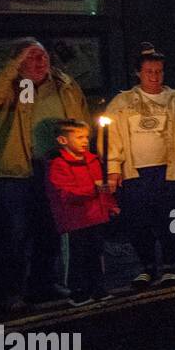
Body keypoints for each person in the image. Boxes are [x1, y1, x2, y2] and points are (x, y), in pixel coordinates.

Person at [0, 37, 90, 311]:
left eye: (43, 56)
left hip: (53, 167)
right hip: (15, 170)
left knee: (50, 229)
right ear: (17, 59)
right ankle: (10, 291)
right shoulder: (7, 83)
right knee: (15, 233)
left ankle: (42, 284)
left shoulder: (63, 84)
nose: (40, 62)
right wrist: (14, 67)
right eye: (31, 56)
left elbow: (81, 118)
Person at [104, 46, 175, 288]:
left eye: (159, 72)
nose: (154, 77)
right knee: (139, 221)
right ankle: (146, 266)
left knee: (174, 218)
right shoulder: (122, 102)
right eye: (149, 72)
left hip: (171, 171)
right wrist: (113, 168)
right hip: (136, 174)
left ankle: (170, 264)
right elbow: (114, 138)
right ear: (138, 74)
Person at [47, 119, 119, 305]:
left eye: (86, 137)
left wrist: (109, 204)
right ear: (63, 140)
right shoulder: (59, 164)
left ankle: (97, 287)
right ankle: (77, 290)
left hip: (94, 216)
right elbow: (66, 193)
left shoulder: (92, 160)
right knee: (76, 256)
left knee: (95, 253)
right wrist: (94, 190)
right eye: (79, 137)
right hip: (74, 220)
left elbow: (101, 186)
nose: (85, 141)